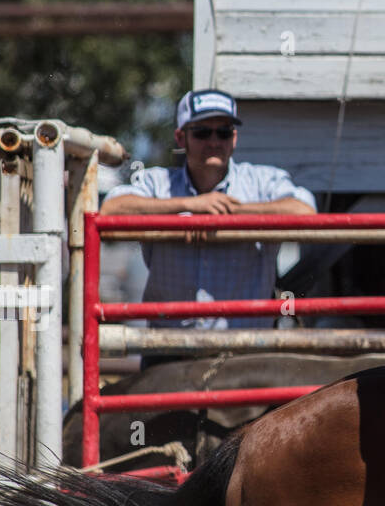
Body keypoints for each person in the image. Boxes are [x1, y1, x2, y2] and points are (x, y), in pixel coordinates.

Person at [103, 88, 317, 342]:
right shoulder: (157, 182)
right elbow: (111, 209)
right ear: (181, 138)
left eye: (223, 132)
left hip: (247, 347)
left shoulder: (262, 181)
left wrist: (230, 211)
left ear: (234, 138)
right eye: (203, 132)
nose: (214, 141)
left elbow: (305, 210)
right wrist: (193, 204)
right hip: (170, 344)